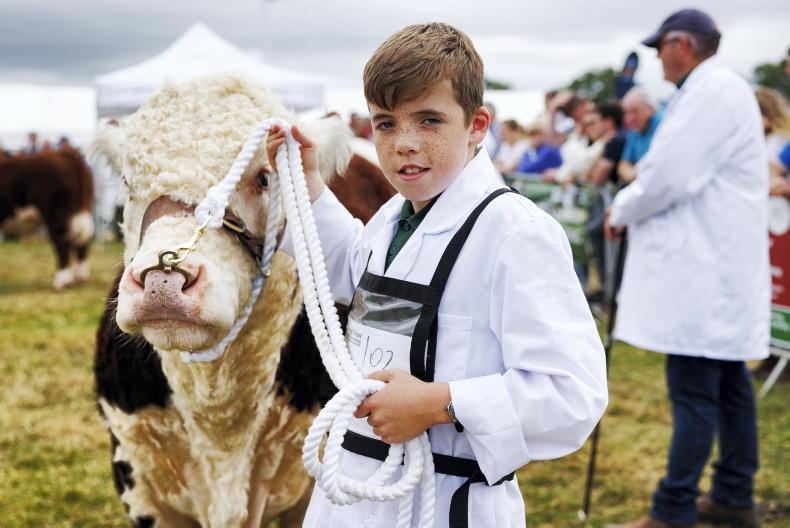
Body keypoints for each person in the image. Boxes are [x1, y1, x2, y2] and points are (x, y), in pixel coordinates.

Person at [267, 22, 608, 528]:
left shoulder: (517, 234)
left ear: (476, 125)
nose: (404, 143)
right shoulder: (395, 216)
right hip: (354, 492)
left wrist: (439, 403)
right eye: (385, 124)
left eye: (428, 120)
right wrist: (309, 182)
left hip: (441, 502)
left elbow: (572, 395)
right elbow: (349, 274)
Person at [605, 9, 770, 528]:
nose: (656, 56)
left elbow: (668, 175)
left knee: (698, 391)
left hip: (704, 274)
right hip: (714, 269)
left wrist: (622, 207)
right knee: (727, 387)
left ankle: (673, 510)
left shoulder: (712, 91)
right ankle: (732, 496)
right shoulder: (717, 90)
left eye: (661, 46)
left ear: (683, 43)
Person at [618, 87, 663, 183]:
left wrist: (636, 172)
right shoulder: (635, 131)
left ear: (651, 109)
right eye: (626, 113)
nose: (629, 119)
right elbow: (623, 165)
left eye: (635, 111)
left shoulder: (664, 124)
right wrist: (633, 173)